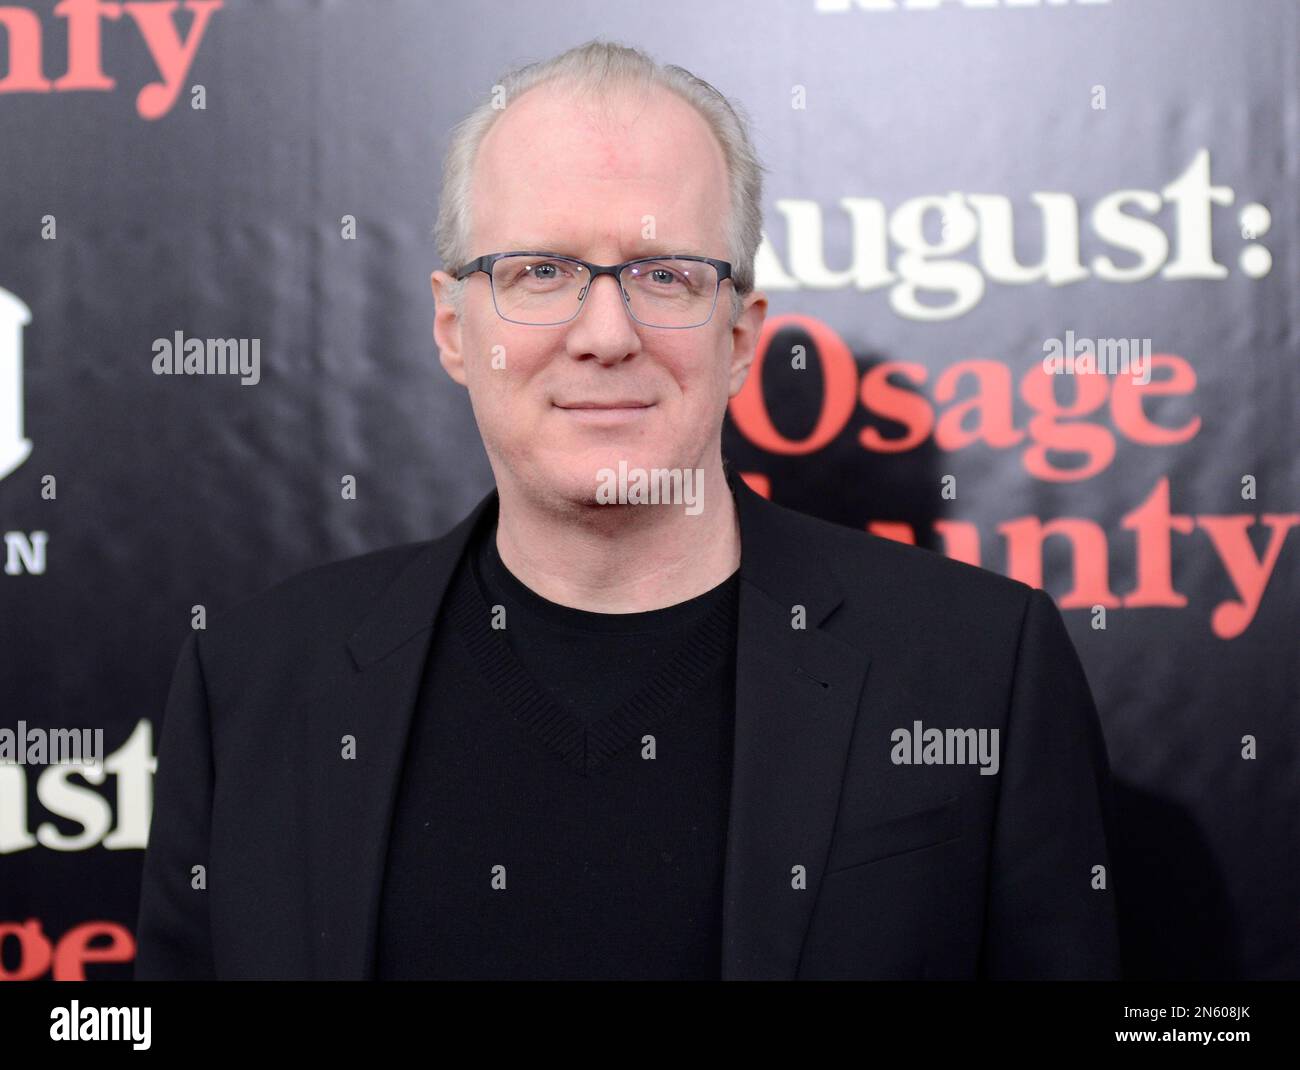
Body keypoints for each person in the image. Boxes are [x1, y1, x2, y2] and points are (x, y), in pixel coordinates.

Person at [135, 39, 1120, 980]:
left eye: (664, 275)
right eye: (539, 271)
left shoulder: (980, 669)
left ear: (740, 334)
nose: (605, 334)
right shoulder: (255, 685)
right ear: (451, 326)